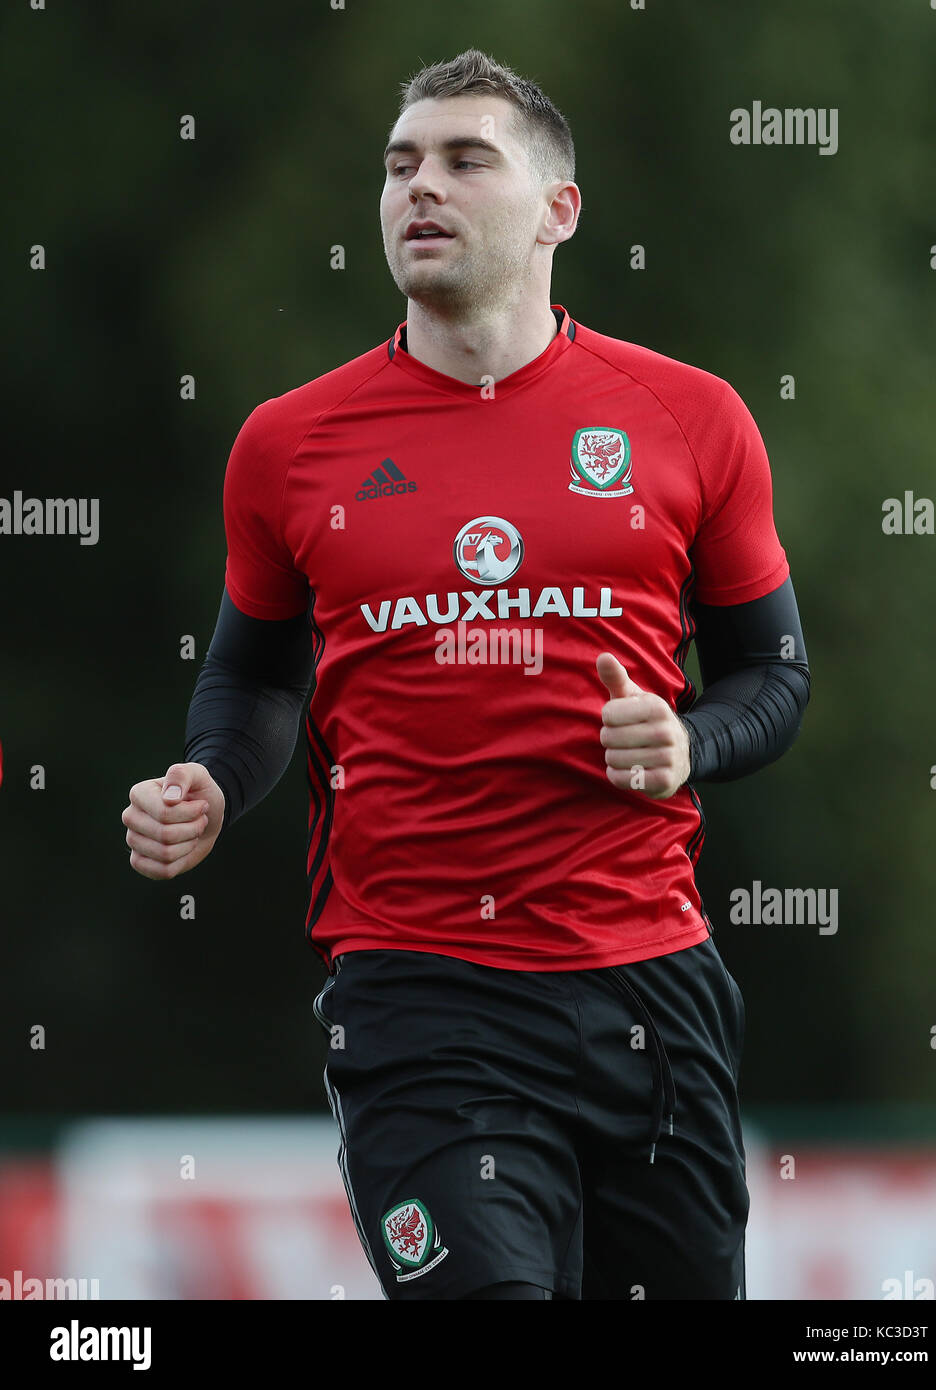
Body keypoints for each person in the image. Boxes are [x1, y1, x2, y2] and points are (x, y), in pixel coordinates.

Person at [122, 48, 810, 1301]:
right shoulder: (289, 445)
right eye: (398, 165)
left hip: (649, 988)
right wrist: (214, 778)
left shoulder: (690, 418)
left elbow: (773, 675)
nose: (417, 188)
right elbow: (256, 679)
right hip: (419, 992)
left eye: (462, 159)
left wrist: (688, 741)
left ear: (559, 208)